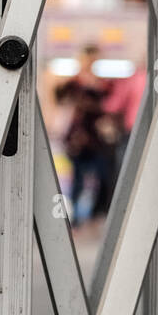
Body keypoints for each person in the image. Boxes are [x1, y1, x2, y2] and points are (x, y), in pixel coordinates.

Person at [56, 44, 121, 221]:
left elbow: (110, 104)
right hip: (79, 138)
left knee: (102, 177)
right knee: (78, 179)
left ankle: (95, 215)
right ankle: (77, 219)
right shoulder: (76, 82)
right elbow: (59, 96)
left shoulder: (102, 83)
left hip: (96, 138)